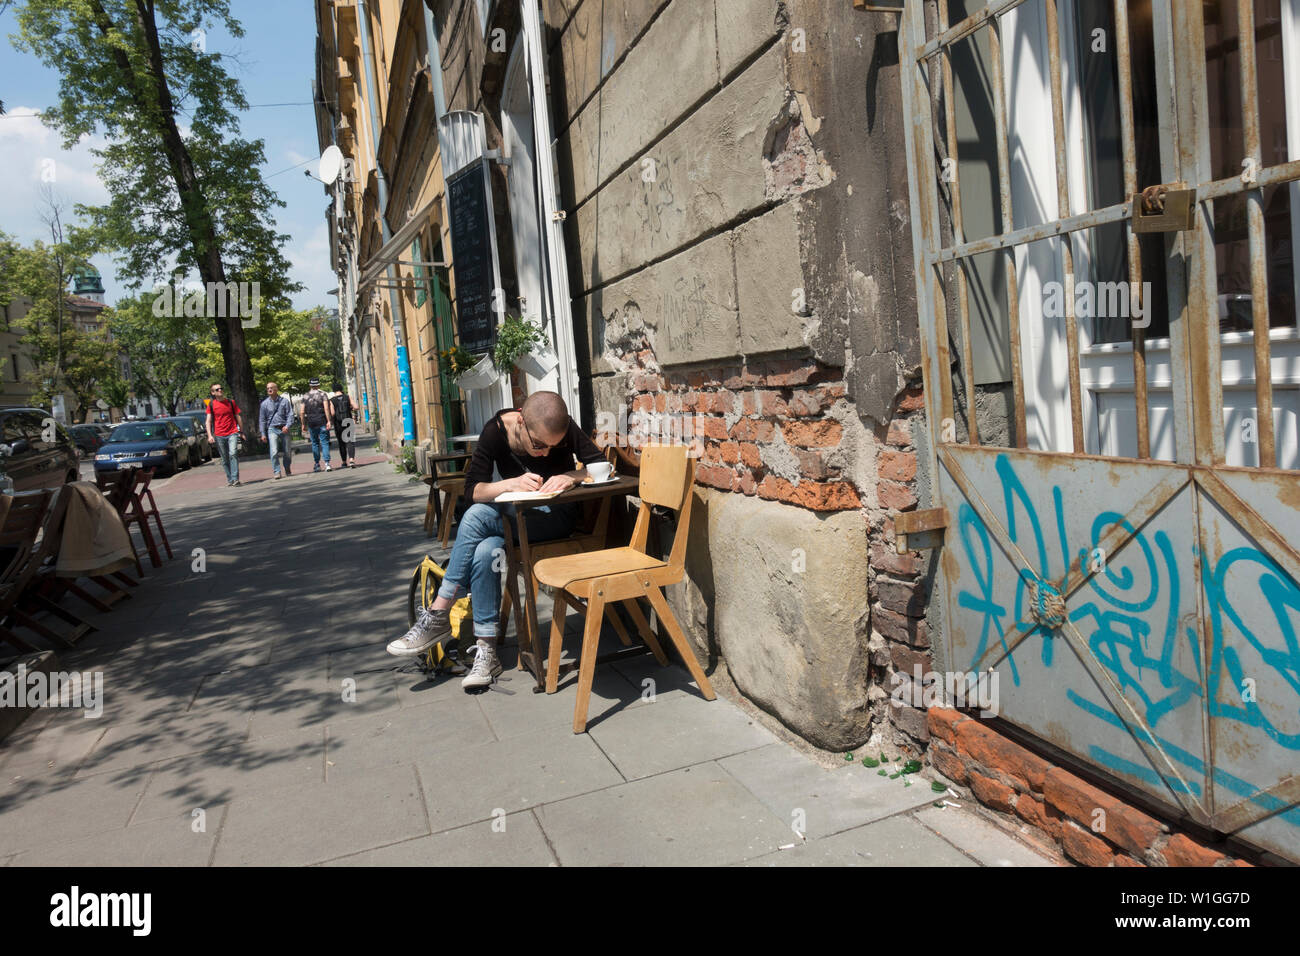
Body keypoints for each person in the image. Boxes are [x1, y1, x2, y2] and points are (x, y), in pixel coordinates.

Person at [386, 391, 606, 690]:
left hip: (556, 519)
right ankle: (487, 650)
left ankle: (439, 612)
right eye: (538, 445)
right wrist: (509, 483)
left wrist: (571, 475)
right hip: (518, 519)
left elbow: (601, 466)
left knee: (476, 517)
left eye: (552, 447)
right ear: (520, 421)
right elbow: (471, 490)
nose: (543, 454)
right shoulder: (495, 432)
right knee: (486, 550)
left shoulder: (561, 424)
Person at [205, 383, 243, 487]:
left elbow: (238, 416)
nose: (220, 390)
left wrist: (241, 431)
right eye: (217, 389)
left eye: (221, 388)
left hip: (232, 432)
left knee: (233, 453)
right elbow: (208, 421)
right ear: (213, 393)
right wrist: (210, 435)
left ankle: (235, 479)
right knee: (224, 458)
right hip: (219, 435)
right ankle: (230, 479)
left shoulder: (231, 402)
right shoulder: (211, 405)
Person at [259, 382, 294, 479]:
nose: (269, 390)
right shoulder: (264, 404)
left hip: (284, 428)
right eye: (267, 388)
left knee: (287, 451)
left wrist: (287, 426)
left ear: (276, 389)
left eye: (271, 388)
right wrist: (263, 434)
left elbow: (290, 415)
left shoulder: (284, 401)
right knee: (274, 451)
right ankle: (277, 471)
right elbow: (262, 420)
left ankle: (287, 467)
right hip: (272, 429)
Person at [300, 377, 334, 472]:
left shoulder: (305, 396)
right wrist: (329, 420)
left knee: (315, 443)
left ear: (310, 385)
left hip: (311, 422)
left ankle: (317, 464)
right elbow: (326, 408)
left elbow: (302, 412)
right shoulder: (323, 395)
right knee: (324, 442)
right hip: (322, 421)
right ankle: (327, 464)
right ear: (318, 385)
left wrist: (303, 424)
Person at [331, 388, 357, 468]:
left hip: (338, 423)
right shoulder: (347, 397)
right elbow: (356, 407)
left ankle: (344, 462)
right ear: (341, 389)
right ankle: (351, 460)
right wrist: (350, 409)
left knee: (341, 443)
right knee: (350, 441)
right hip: (348, 420)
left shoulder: (331, 400)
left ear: (334, 390)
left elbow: (332, 413)